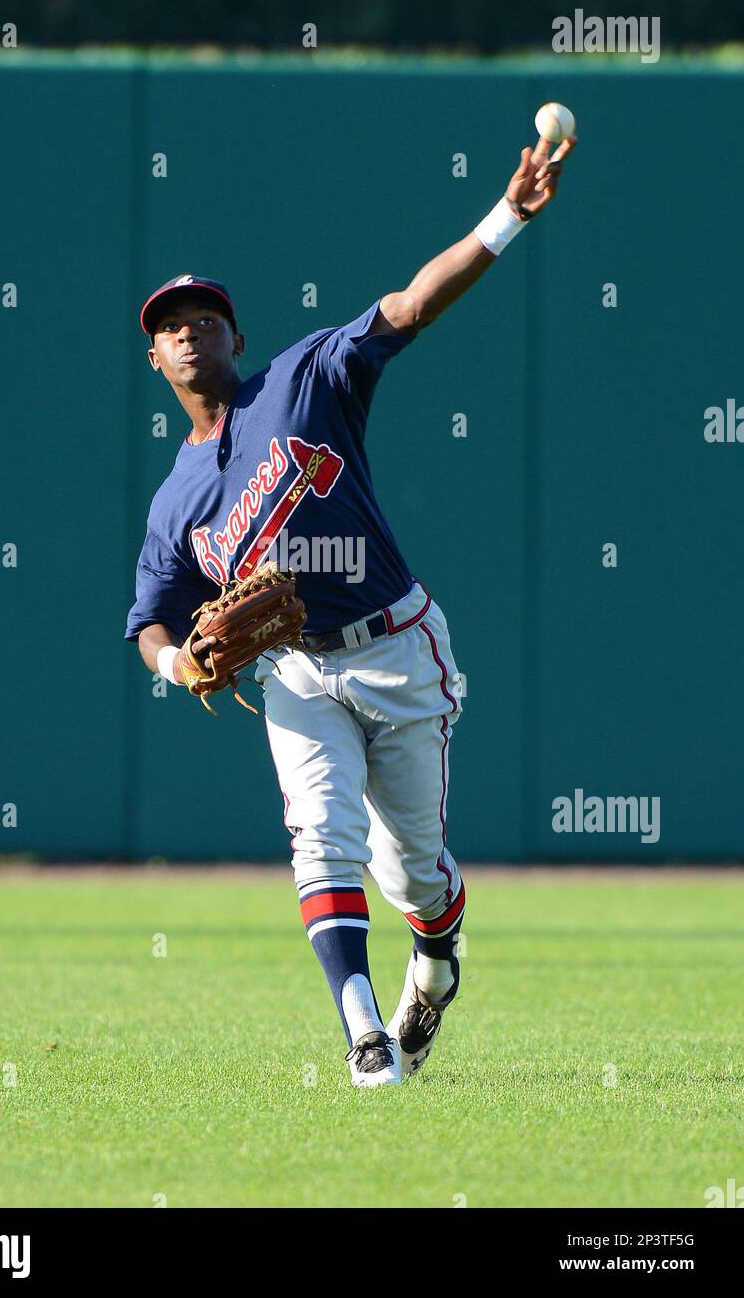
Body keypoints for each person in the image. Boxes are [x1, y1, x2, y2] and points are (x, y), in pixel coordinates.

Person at [125, 133, 576, 1086]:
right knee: (318, 834)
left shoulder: (305, 377)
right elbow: (150, 623)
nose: (191, 329)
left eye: (208, 316)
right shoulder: (173, 500)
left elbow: (412, 304)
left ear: (236, 340)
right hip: (297, 673)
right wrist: (178, 666)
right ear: (155, 355)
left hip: (396, 647)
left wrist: (506, 219)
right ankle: (364, 1032)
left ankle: (438, 964)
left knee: (412, 872)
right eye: (173, 324)